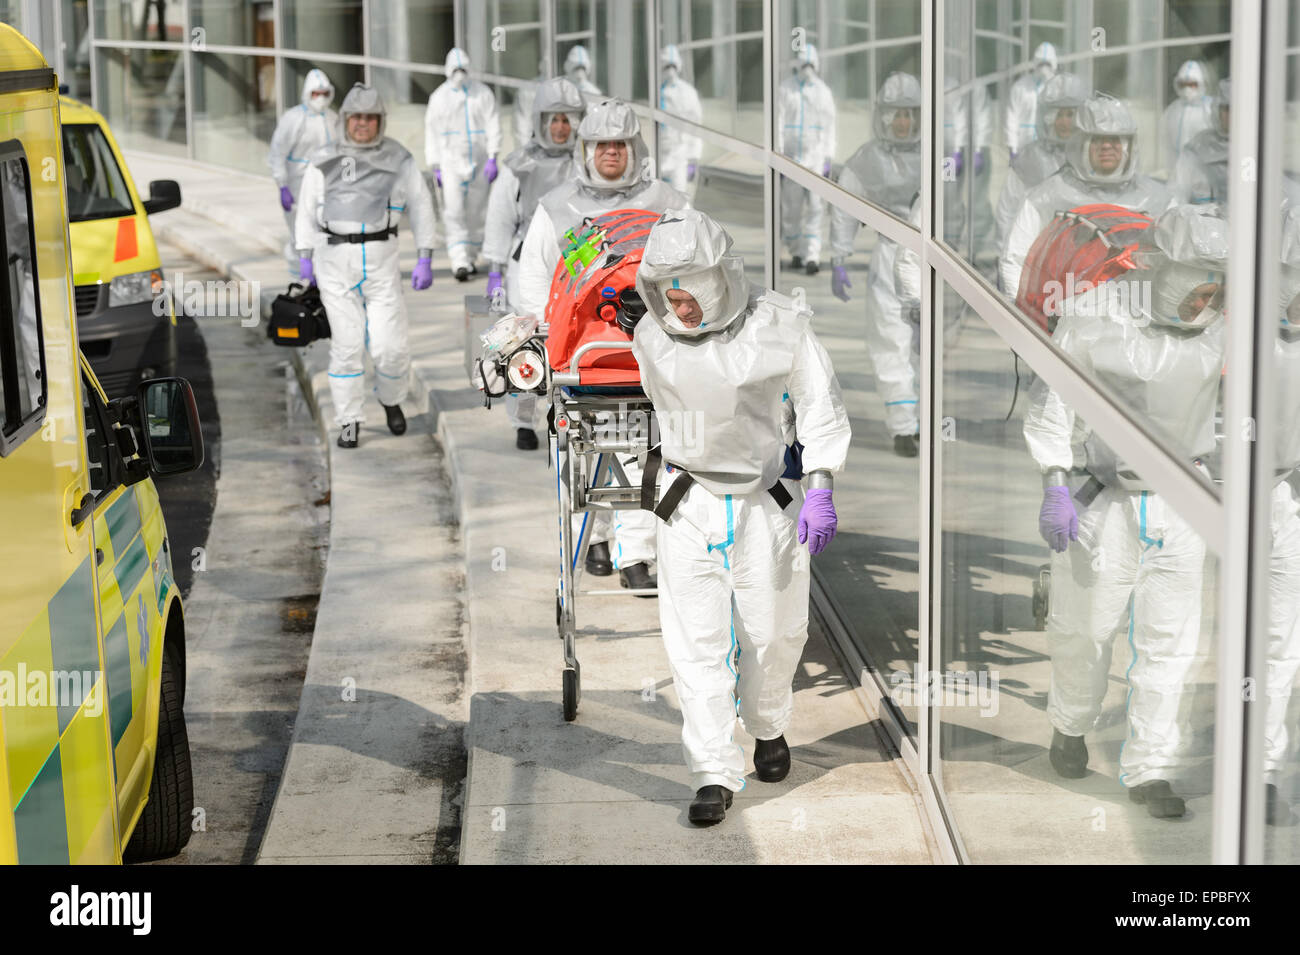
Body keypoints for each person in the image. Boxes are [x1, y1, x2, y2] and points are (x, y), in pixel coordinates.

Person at [630, 208, 852, 824]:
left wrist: (821, 484)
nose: (678, 305)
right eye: (667, 292)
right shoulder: (650, 331)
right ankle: (712, 772)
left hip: (765, 503)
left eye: (689, 291)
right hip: (687, 501)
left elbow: (821, 406)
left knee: (773, 635)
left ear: (722, 278)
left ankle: (768, 723)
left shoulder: (781, 327)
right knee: (696, 645)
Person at [1025, 204, 1227, 819]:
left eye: (1217, 291)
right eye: (1199, 289)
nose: (1207, 303)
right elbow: (1053, 406)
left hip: (1183, 501)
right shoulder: (1093, 317)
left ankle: (1150, 768)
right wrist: (1055, 482)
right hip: (1105, 502)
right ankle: (1071, 721)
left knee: (1170, 644)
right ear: (1166, 274)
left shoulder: (1224, 329)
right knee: (1087, 631)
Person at [517, 99, 689, 591]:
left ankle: (635, 555)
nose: (611, 152)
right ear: (585, 150)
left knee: (642, 449)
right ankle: (592, 538)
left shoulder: (668, 203)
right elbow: (534, 278)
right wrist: (546, 339)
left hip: (649, 352)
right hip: (579, 355)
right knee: (580, 451)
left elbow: (697, 263)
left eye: (620, 143)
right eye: (600, 145)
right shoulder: (557, 207)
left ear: (635, 148)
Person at [295, 83, 437, 449]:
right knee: (347, 345)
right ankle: (349, 419)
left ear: (380, 121)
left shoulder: (399, 159)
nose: (362, 124)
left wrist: (425, 255)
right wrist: (304, 256)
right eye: (356, 117)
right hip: (334, 263)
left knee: (390, 347)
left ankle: (391, 400)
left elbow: (421, 206)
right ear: (345, 119)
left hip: (381, 264)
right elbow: (306, 209)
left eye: (370, 117)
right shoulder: (323, 159)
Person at [482, 77, 585, 450]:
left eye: (567, 119)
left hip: (576, 263)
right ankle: (523, 420)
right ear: (540, 121)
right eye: (553, 119)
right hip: (526, 265)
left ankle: (564, 411)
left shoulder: (586, 163)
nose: (560, 127)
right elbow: (499, 217)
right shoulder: (519, 165)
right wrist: (494, 270)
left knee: (572, 339)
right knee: (525, 343)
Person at [827, 72, 924, 456]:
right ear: (882, 116)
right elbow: (844, 207)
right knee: (890, 338)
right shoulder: (867, 160)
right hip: (890, 257)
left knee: (927, 342)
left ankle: (926, 415)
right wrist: (839, 256)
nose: (903, 121)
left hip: (933, 259)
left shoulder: (935, 155)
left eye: (910, 114)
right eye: (896, 114)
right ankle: (903, 426)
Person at [1000, 93, 1170, 301]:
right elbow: (1016, 258)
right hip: (1063, 311)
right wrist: (1020, 314)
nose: (1106, 146)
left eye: (1115, 139)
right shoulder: (1047, 197)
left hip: (1138, 310)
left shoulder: (1158, 199)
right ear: (1080, 144)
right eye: (1097, 139)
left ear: (1129, 145)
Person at [425, 47, 502, 281]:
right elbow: (431, 132)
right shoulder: (439, 98)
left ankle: (471, 256)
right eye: (455, 69)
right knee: (454, 211)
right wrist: (435, 165)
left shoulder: (482, 94)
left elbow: (493, 124)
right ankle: (459, 260)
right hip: (450, 162)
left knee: (477, 212)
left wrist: (493, 156)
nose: (459, 73)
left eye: (463, 69)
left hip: (479, 160)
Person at [994, 72, 1089, 253]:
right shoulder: (1030, 159)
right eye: (1058, 114)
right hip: (1036, 256)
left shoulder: (1092, 158)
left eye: (1071, 114)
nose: (1064, 122)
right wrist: (1005, 257)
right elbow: (1007, 213)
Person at [267, 69, 337, 275]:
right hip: (298, 183)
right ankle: (298, 272)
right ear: (307, 93)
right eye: (316, 93)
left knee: (323, 230)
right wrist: (282, 186)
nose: (321, 98)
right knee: (299, 230)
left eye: (325, 93)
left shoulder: (332, 118)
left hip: (326, 184)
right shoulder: (294, 118)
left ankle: (321, 273)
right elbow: (277, 153)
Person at [776, 44, 836, 274]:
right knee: (791, 210)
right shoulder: (786, 89)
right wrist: (779, 155)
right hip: (791, 159)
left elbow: (829, 127)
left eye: (811, 64)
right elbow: (778, 122)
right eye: (804, 64)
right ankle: (796, 252)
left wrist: (828, 157)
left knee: (816, 209)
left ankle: (812, 255)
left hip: (816, 159)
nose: (807, 69)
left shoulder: (823, 92)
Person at [1172, 78, 1230, 206]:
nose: (1233, 115)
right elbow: (1177, 193)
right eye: (1227, 108)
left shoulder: (1261, 147)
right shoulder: (1198, 147)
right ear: (1217, 109)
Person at [657, 45, 703, 195]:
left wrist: (693, 158)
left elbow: (696, 126)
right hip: (661, 153)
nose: (670, 71)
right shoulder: (657, 92)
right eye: (666, 67)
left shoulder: (687, 92)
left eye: (672, 66)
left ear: (678, 67)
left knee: (681, 198)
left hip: (680, 153)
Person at [1004, 41, 1058, 158]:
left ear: (1054, 64)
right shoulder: (1021, 87)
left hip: (1050, 147)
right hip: (1024, 145)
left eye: (1047, 64)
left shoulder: (1058, 88)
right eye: (1041, 63)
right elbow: (1011, 118)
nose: (1044, 68)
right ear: (1035, 63)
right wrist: (1012, 146)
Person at [1162, 60, 1214, 171]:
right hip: (1177, 172)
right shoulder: (1173, 110)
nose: (1187, 89)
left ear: (1202, 84)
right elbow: (1166, 144)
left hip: (1204, 173)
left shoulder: (1210, 109)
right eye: (1183, 84)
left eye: (1192, 84)